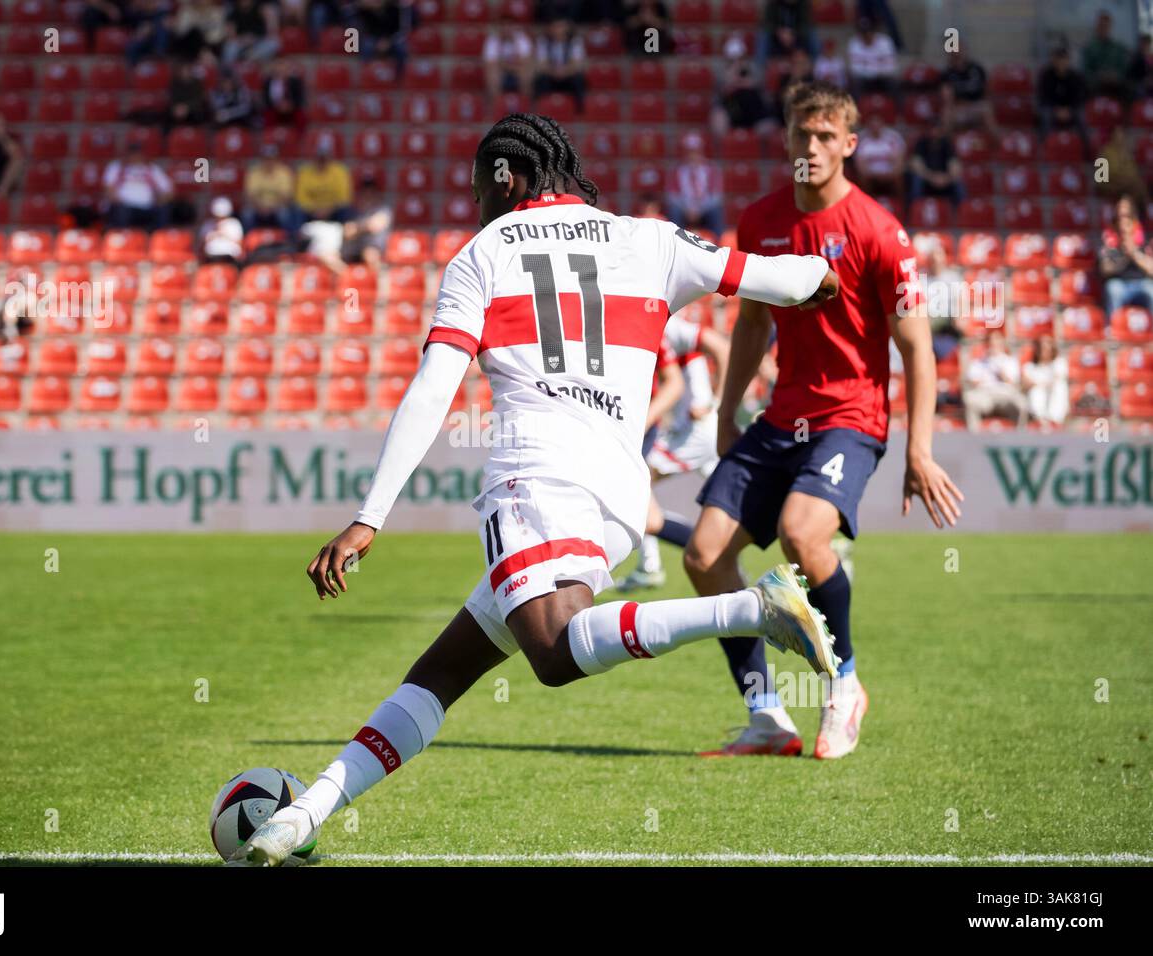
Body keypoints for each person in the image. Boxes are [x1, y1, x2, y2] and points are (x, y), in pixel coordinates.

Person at [228, 112, 843, 866]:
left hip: (535, 475)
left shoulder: (481, 256)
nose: (474, 206)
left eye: (478, 189)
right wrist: (821, 279)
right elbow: (785, 278)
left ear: (507, 179)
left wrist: (369, 515)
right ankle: (303, 814)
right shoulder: (648, 239)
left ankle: (749, 606)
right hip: (616, 495)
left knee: (552, 652)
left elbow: (433, 388)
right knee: (443, 672)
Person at [684, 82, 963, 760]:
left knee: (799, 534)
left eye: (825, 136)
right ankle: (767, 716)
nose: (810, 147)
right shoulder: (759, 223)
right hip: (780, 418)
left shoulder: (877, 230)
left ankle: (844, 684)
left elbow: (917, 346)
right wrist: (728, 412)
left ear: (849, 145)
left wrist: (918, 450)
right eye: (800, 134)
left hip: (851, 415)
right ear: (785, 138)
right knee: (703, 558)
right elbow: (751, 324)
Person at [619, 314, 731, 592]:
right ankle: (652, 566)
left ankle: (653, 566)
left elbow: (721, 347)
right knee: (640, 493)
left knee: (636, 488)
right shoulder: (656, 324)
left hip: (698, 432)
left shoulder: (667, 324)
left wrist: (717, 401)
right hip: (695, 430)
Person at [963, 328, 1027, 430]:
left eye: (997, 340)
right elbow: (973, 382)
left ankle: (1019, 437)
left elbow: (1013, 383)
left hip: (1005, 394)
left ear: (1002, 342)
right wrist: (986, 366)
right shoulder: (978, 362)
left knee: (1022, 404)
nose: (994, 343)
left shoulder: (1010, 361)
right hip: (985, 394)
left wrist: (1000, 370)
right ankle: (974, 438)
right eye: (991, 340)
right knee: (969, 400)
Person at [1099, 195, 1153, 313]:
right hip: (1120, 284)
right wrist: (1124, 255)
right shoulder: (1110, 244)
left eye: (1127, 220)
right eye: (1119, 220)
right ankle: (1113, 327)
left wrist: (1134, 253)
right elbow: (1105, 270)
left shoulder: (1144, 244)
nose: (1123, 225)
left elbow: (1151, 269)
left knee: (1151, 290)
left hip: (1141, 283)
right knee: (1113, 289)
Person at [102, 141, 173, 229]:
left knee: (164, 209)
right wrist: (118, 200)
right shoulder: (116, 167)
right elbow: (109, 189)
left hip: (148, 208)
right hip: (124, 207)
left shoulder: (151, 169)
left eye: (136, 154)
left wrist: (159, 200)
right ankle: (123, 239)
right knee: (120, 210)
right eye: (132, 154)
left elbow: (169, 191)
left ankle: (159, 240)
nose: (134, 157)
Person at [666, 132, 724, 236]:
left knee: (716, 210)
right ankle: (674, 241)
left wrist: (700, 209)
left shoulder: (712, 169)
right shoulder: (676, 170)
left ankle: (718, 242)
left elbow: (716, 196)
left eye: (696, 152)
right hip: (684, 209)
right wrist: (687, 209)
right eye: (690, 152)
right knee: (674, 210)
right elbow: (672, 196)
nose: (693, 156)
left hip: (705, 208)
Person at [905, 115, 964, 215]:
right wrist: (932, 177)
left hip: (944, 180)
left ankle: (959, 215)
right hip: (927, 179)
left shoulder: (947, 144)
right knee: (916, 181)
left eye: (937, 128)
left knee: (958, 184)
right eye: (932, 128)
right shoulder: (921, 143)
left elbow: (955, 166)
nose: (934, 131)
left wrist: (946, 178)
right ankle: (915, 212)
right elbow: (916, 165)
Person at [242, 142, 303, 233]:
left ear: (276, 159)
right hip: (258, 207)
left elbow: (286, 197)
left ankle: (288, 241)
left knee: (285, 214)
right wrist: (261, 207)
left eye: (271, 159)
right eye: (266, 159)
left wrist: (271, 208)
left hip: (278, 206)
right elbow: (250, 195)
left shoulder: (284, 172)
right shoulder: (254, 173)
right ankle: (248, 241)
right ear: (262, 159)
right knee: (247, 213)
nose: (269, 162)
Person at [1038, 45, 1089, 151]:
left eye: (1063, 59)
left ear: (1068, 60)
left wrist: (1068, 110)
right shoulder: (1046, 76)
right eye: (1058, 59)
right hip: (1052, 108)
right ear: (1054, 60)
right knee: (1045, 116)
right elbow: (1044, 97)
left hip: (1070, 109)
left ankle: (1087, 151)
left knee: (1081, 116)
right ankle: (1044, 149)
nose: (1061, 62)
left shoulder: (1075, 76)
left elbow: (1079, 97)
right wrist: (1057, 110)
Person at [533, 18, 587, 112]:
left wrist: (563, 72)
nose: (558, 30)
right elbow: (542, 64)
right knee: (540, 79)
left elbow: (576, 64)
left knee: (579, 79)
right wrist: (554, 71)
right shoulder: (544, 41)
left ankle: (579, 111)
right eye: (556, 27)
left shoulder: (575, 41)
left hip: (568, 76)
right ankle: (540, 109)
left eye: (561, 27)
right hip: (551, 75)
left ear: (567, 28)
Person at [852, 109, 906, 202]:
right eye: (872, 123)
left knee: (899, 177)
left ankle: (901, 203)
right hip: (871, 175)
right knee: (862, 177)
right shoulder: (861, 139)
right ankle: (864, 202)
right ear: (868, 124)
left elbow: (899, 162)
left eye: (877, 122)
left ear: (883, 123)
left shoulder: (893, 138)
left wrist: (890, 174)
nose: (875, 125)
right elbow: (860, 166)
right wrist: (873, 174)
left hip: (890, 174)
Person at [340, 176, 393, 268]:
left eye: (371, 192)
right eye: (365, 192)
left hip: (376, 248)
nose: (368, 195)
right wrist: (364, 226)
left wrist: (357, 227)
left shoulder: (383, 209)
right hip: (353, 249)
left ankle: (380, 280)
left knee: (369, 254)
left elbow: (375, 225)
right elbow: (347, 233)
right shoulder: (353, 210)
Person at [295, 138, 353, 222]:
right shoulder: (305, 172)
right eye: (319, 158)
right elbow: (301, 197)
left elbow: (344, 196)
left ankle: (346, 234)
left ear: (329, 157)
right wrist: (315, 210)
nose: (322, 161)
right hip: (311, 211)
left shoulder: (339, 171)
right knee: (297, 212)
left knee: (346, 211)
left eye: (324, 158)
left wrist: (328, 209)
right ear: (314, 158)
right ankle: (297, 234)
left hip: (334, 210)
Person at [941, 47, 995, 134]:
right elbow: (947, 98)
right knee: (947, 113)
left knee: (986, 108)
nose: (957, 54)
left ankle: (997, 144)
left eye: (959, 51)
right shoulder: (947, 73)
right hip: (959, 108)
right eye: (954, 52)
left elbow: (987, 92)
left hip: (976, 106)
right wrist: (955, 107)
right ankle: (946, 144)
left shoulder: (977, 69)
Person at [1081, 10, 1131, 100]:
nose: (1104, 28)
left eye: (1106, 26)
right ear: (1097, 26)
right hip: (1096, 85)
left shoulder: (1117, 47)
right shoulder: (1089, 47)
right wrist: (1099, 76)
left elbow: (1124, 69)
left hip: (1116, 85)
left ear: (1110, 27)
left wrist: (1116, 76)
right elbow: (1085, 70)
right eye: (1101, 26)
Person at [483, 17, 534, 102]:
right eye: (504, 27)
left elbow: (526, 60)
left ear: (514, 27)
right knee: (492, 73)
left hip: (518, 71)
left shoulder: (522, 39)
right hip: (501, 72)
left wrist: (505, 64)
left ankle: (526, 104)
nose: (507, 30)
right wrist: (511, 65)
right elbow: (490, 63)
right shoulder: (493, 40)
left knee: (527, 72)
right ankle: (497, 105)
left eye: (509, 27)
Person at [846, 16, 898, 98]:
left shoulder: (885, 42)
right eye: (863, 33)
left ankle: (898, 110)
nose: (866, 35)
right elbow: (855, 68)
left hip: (882, 77)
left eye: (869, 32)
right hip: (864, 78)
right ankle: (855, 109)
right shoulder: (854, 43)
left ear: (874, 31)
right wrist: (876, 65)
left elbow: (891, 66)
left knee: (893, 84)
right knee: (855, 85)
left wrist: (869, 66)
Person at [1023, 335, 1068, 426]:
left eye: (1047, 346)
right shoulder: (1029, 367)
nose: (1045, 350)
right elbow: (1027, 384)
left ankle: (1054, 420)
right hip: (1036, 403)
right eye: (1041, 347)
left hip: (1054, 399)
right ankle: (1041, 419)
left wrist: (1042, 383)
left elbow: (1058, 378)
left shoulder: (1059, 363)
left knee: (1059, 386)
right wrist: (1043, 384)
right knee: (1036, 390)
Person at [221, 0, 280, 66]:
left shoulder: (261, 8)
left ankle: (248, 60)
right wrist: (243, 40)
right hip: (240, 43)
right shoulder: (233, 11)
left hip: (258, 43)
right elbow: (231, 36)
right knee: (230, 46)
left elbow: (271, 32)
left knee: (274, 43)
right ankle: (229, 70)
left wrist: (254, 39)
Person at [262, 58, 305, 130]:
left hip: (291, 108)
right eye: (279, 68)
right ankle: (269, 136)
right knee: (268, 115)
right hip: (274, 108)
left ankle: (300, 137)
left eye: (284, 68)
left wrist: (290, 105)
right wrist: (277, 106)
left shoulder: (296, 82)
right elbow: (266, 98)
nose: (282, 70)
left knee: (300, 116)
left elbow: (300, 98)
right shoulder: (268, 82)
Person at [200, 196, 244, 266]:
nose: (220, 218)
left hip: (231, 257)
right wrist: (214, 235)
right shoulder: (207, 224)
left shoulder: (234, 223)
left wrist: (224, 234)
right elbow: (202, 244)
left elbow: (240, 244)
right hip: (212, 256)